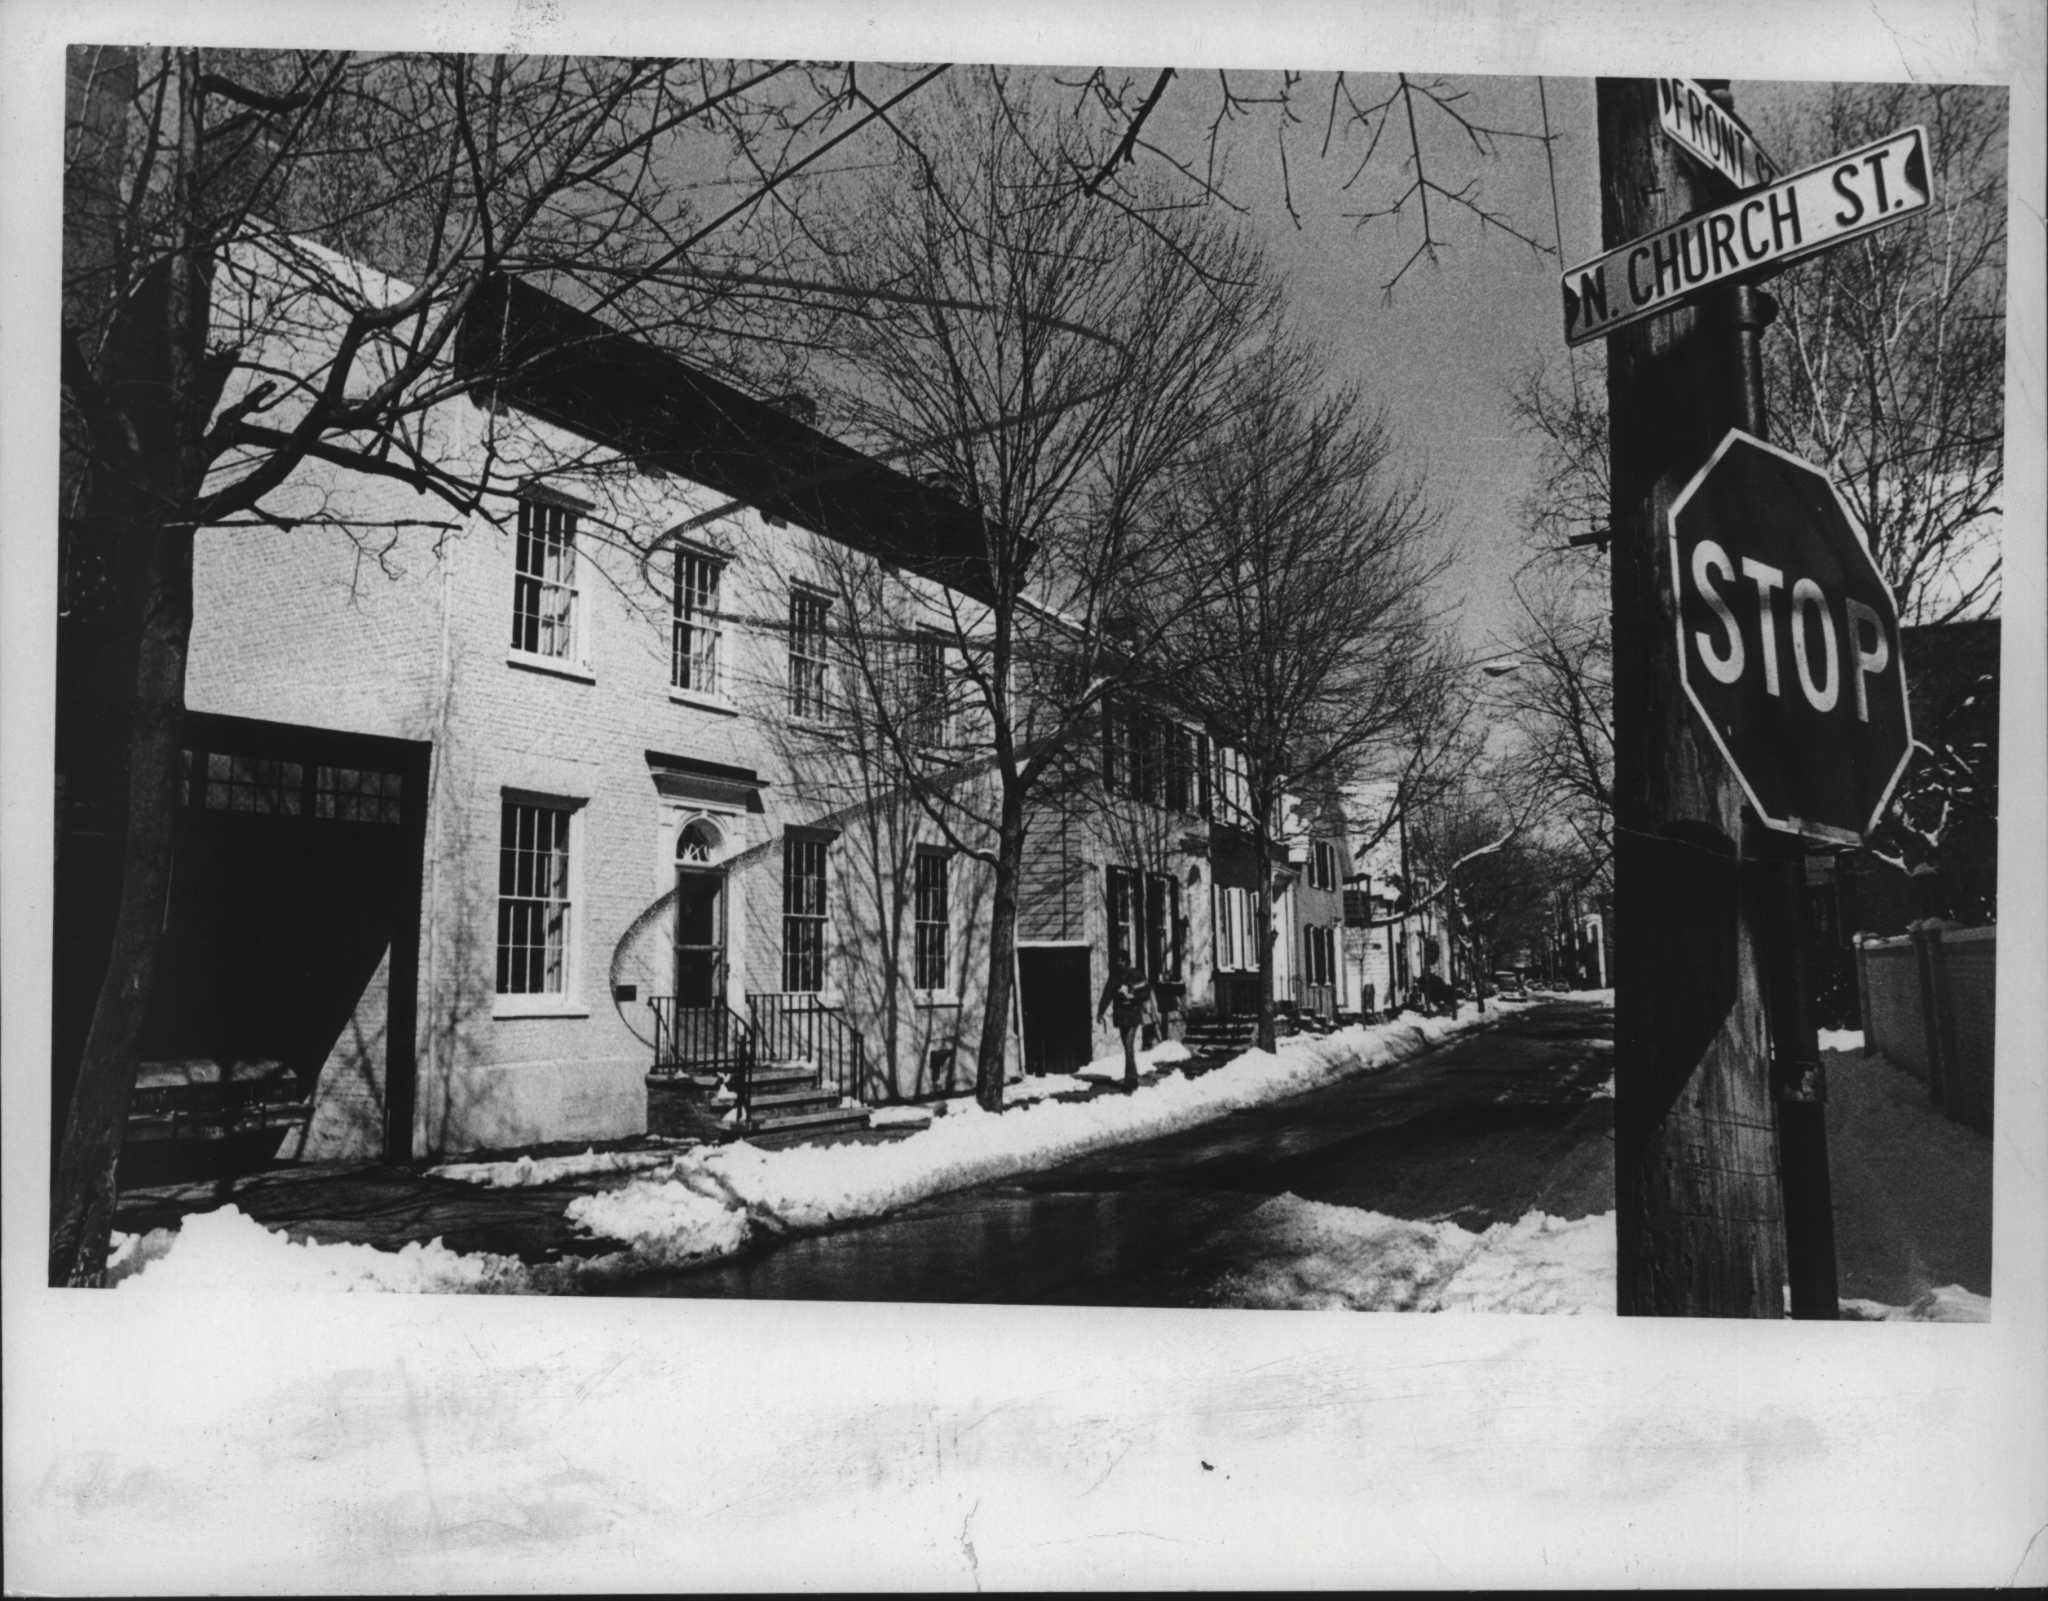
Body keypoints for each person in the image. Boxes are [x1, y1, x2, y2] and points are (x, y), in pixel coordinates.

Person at [1096, 960, 1152, 1094]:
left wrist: (1132, 994)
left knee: (1128, 1046)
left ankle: (1130, 1081)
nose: (1120, 964)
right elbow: (1107, 994)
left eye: (1122, 961)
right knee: (1128, 1048)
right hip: (1121, 1017)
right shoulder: (1115, 977)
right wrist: (1100, 1011)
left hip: (1133, 1016)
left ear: (1127, 962)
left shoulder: (1136, 975)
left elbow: (1145, 991)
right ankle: (1133, 1077)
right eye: (1119, 961)